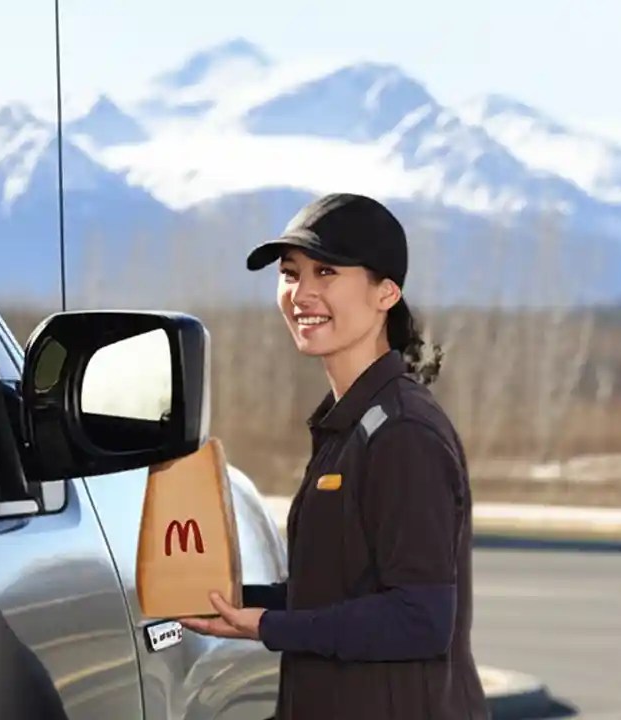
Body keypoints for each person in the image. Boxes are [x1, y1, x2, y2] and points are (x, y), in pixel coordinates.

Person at [180, 193, 489, 719]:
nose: (302, 293)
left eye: (326, 272)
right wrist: (230, 598)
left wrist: (266, 626)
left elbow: (420, 619)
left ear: (386, 292)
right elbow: (337, 593)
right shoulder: (350, 424)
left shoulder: (403, 434)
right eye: (290, 273)